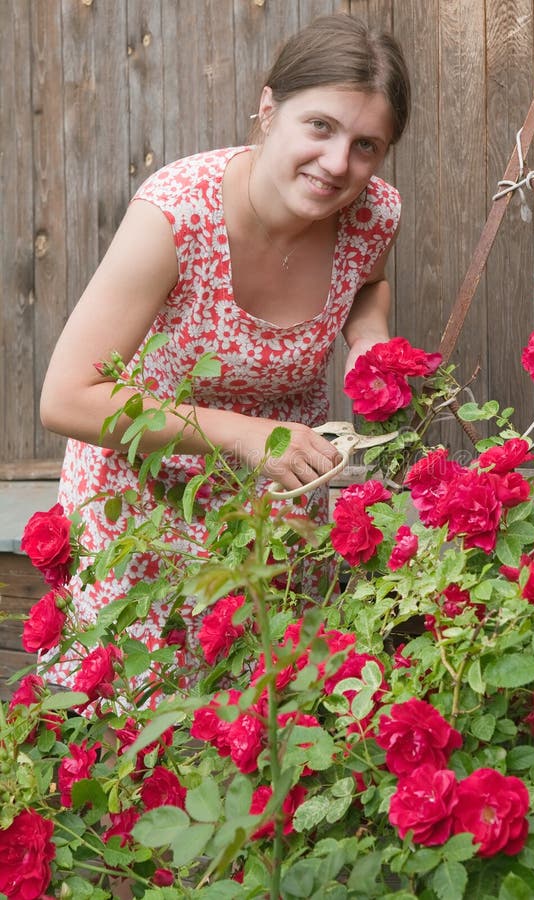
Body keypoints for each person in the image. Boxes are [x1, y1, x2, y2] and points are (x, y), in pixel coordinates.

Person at [39, 13, 411, 697]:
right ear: (268, 109)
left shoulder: (373, 214)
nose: (337, 164)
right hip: (143, 503)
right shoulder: (177, 215)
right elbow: (66, 398)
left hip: (273, 502)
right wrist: (244, 435)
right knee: (144, 725)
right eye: (320, 127)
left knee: (265, 711)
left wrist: (368, 339)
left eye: (366, 145)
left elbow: (367, 284)